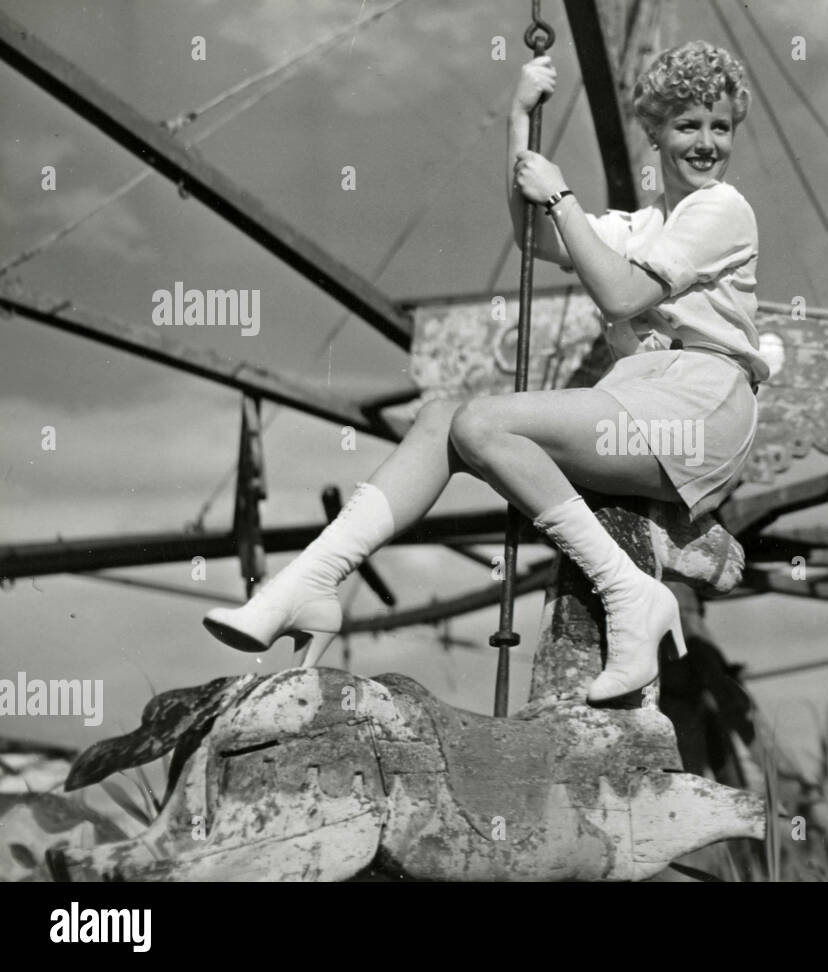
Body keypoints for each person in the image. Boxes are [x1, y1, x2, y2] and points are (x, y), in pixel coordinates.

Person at [203, 40, 766, 705]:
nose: (706, 143)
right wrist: (519, 122)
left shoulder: (722, 210)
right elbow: (542, 238)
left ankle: (626, 591)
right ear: (657, 134)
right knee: (445, 417)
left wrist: (557, 192)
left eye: (719, 126)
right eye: (688, 125)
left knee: (482, 421)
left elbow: (619, 295)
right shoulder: (643, 225)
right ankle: (312, 582)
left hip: (702, 404)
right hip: (644, 397)